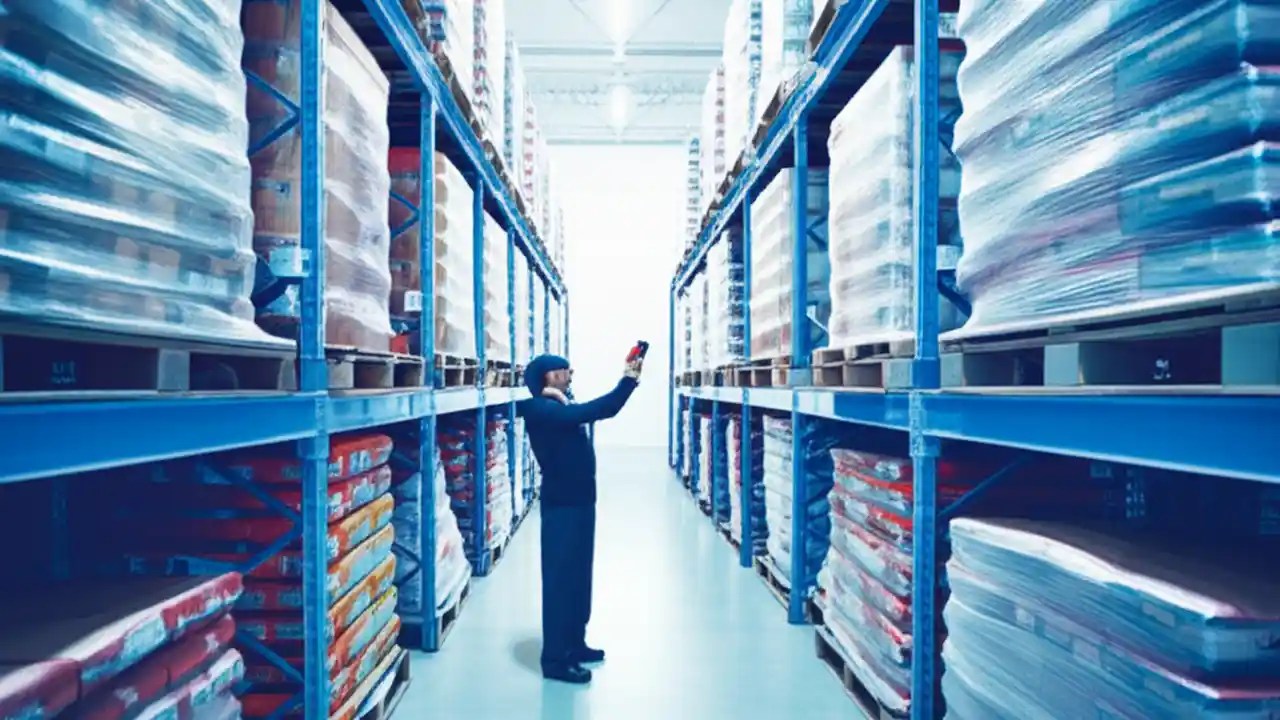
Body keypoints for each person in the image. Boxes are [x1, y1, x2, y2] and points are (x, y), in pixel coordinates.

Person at [519, 350, 643, 684]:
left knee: (578, 579)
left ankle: (575, 644)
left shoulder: (560, 406)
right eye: (564, 370)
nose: (570, 374)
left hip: (580, 503)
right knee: (561, 582)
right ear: (548, 376)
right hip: (562, 507)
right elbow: (603, 409)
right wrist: (629, 379)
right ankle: (556, 660)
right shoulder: (541, 409)